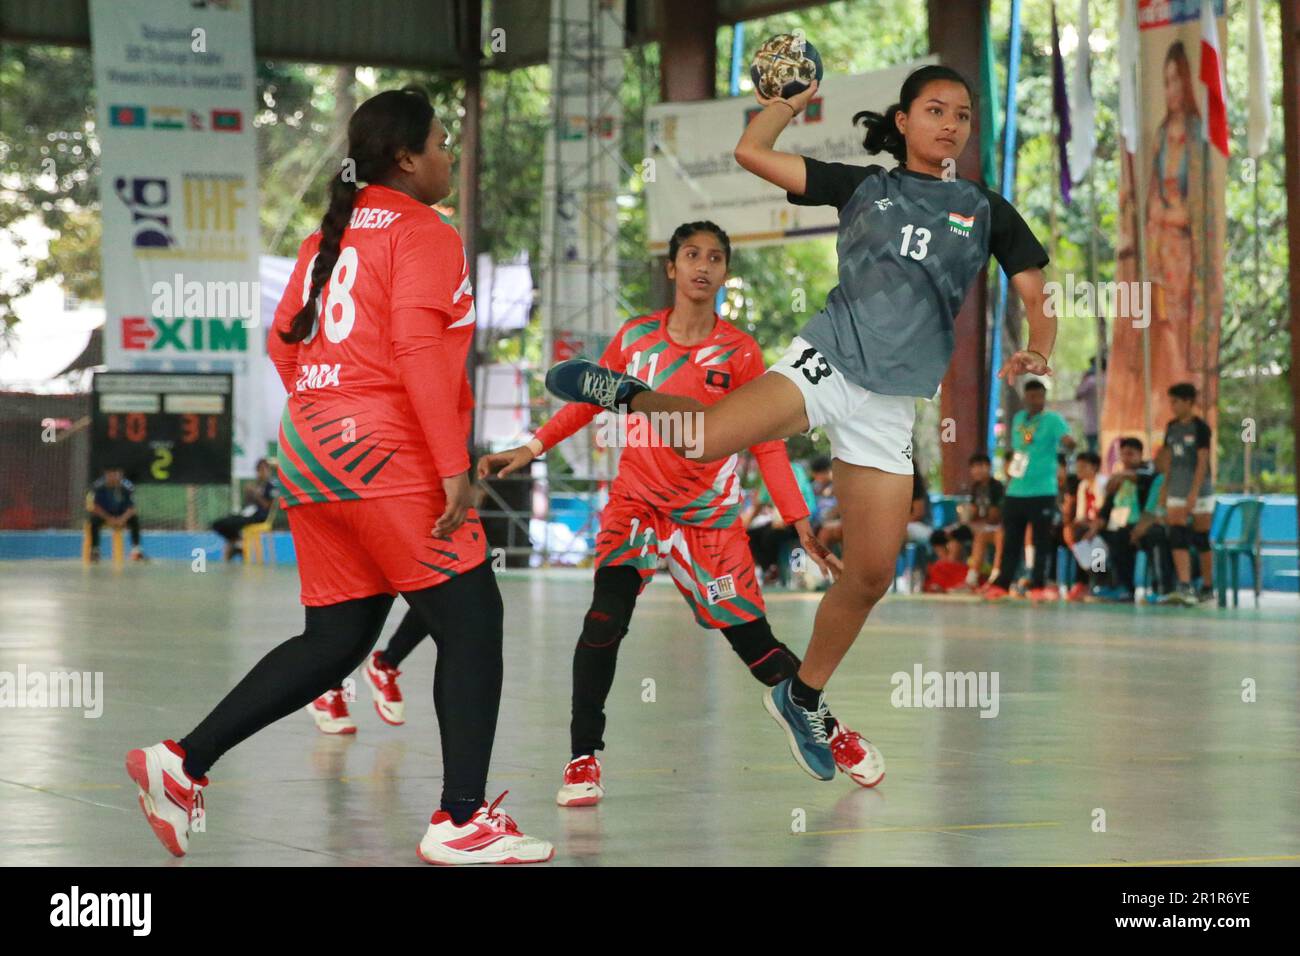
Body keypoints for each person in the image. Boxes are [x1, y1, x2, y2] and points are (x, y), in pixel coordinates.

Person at [543, 64, 1054, 781]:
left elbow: (1037, 293)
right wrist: (785, 105)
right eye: (934, 110)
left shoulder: (986, 208)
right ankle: (623, 392)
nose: (950, 124)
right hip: (830, 362)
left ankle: (803, 696)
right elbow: (752, 154)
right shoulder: (862, 187)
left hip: (890, 403)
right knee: (709, 436)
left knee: (872, 573)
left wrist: (1040, 347)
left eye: (962, 115)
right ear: (903, 122)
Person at [124, 88, 552, 865]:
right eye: (442, 142)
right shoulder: (427, 232)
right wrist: (449, 463)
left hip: (309, 447)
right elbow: (420, 355)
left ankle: (182, 764)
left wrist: (326, 413)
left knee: (338, 637)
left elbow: (284, 344)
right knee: (473, 622)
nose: (450, 154)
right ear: (406, 158)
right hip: (384, 451)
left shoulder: (333, 234)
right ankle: (460, 819)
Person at [478, 221, 884, 802]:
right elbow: (589, 401)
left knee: (758, 647)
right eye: (691, 254)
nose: (703, 265)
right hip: (636, 507)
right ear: (671, 268)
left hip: (708, 523)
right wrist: (531, 446)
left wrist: (798, 520)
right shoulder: (637, 337)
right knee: (603, 622)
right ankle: (583, 759)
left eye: (715, 257)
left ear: (724, 273)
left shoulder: (741, 352)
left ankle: (830, 729)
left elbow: (766, 441)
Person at [986, 381, 1074, 601]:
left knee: (1041, 540)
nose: (1035, 400)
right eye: (1031, 396)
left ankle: (1038, 584)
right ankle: (1003, 583)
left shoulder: (1053, 420)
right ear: (1025, 397)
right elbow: (1017, 450)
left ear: (1044, 397)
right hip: (1016, 490)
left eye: (1039, 396)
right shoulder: (1018, 419)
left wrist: (1069, 444)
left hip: (1043, 490)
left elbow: (1069, 442)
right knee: (1011, 539)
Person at [1159, 382, 1215, 605]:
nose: (1172, 406)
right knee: (1177, 533)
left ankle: (1208, 587)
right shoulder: (1171, 427)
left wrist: (1194, 494)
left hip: (1200, 489)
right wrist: (1164, 488)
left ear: (1188, 402)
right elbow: (1169, 460)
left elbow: (1202, 463)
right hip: (1176, 488)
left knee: (1201, 538)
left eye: (1175, 401)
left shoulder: (1200, 427)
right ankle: (1185, 585)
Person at [1091, 437, 1156, 601]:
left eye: (1130, 454)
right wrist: (1096, 525)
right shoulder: (1117, 479)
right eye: (1123, 455)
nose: (1126, 459)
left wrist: (1124, 475)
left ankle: (1126, 587)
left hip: (1137, 525)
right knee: (1095, 543)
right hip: (1115, 524)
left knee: (1121, 539)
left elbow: (1144, 478)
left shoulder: (1148, 474)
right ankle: (1102, 581)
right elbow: (1106, 509)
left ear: (1140, 455)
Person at [211, 457, 279, 561]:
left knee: (234, 522)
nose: (262, 472)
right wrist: (248, 493)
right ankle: (237, 542)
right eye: (259, 469)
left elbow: (267, 506)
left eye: (264, 469)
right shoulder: (256, 484)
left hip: (260, 516)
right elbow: (247, 505)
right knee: (219, 523)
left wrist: (256, 494)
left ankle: (237, 544)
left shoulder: (271, 485)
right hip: (249, 513)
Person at [1062, 451, 1104, 602]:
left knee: (1097, 544)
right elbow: (1080, 516)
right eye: (1077, 467)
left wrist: (1092, 527)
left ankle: (1098, 582)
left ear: (1094, 467)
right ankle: (1083, 582)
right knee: (1073, 535)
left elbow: (1102, 512)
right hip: (1087, 526)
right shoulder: (1083, 486)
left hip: (1103, 526)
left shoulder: (1102, 482)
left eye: (1083, 467)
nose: (1079, 470)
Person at [960, 452, 1003, 587]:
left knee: (980, 536)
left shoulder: (997, 487)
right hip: (980, 526)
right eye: (973, 467)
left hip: (995, 528)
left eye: (980, 466)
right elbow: (973, 512)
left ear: (988, 467)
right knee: (950, 536)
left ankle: (987, 577)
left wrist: (977, 522)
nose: (976, 471)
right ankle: (953, 573)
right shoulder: (975, 488)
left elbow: (994, 516)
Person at [87, 466, 146, 561]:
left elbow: (132, 508)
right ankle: (95, 551)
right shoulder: (98, 486)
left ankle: (136, 551)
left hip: (122, 514)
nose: (113, 477)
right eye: (110, 474)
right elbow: (95, 507)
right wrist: (109, 519)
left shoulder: (127, 486)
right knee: (94, 521)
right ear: (106, 474)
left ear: (120, 474)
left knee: (135, 520)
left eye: (115, 474)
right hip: (105, 514)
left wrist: (122, 519)